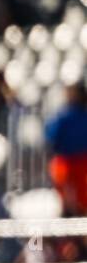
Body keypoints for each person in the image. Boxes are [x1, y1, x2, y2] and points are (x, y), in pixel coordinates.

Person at [46, 82, 87, 214]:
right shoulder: (62, 115)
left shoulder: (81, 114)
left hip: (82, 160)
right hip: (65, 160)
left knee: (82, 196)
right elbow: (52, 136)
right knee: (63, 195)